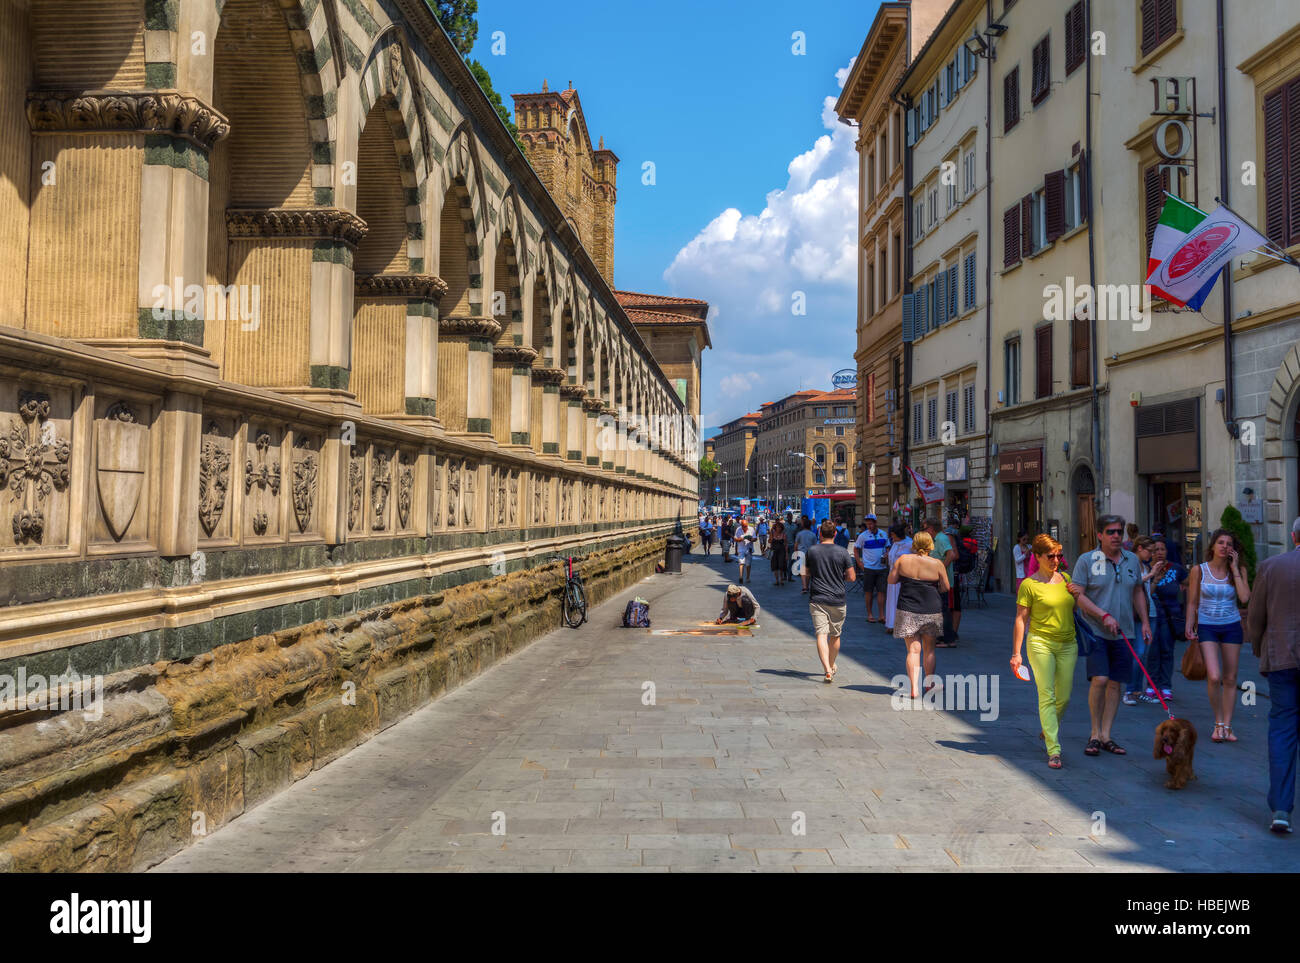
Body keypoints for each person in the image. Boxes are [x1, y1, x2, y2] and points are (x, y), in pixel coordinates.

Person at [1012, 534, 1111, 768]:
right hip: (1040, 643)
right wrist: (1016, 653)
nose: (1056, 559)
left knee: (1064, 697)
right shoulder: (1029, 585)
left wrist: (1093, 607)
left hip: (1068, 644)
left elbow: (1080, 608)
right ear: (1037, 556)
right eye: (1050, 556)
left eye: (1059, 555)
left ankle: (1048, 728)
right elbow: (1020, 619)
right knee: (1047, 695)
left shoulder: (1067, 580)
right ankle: (1054, 750)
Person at [1070, 514, 1150, 758]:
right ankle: (1094, 733)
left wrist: (1145, 622)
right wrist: (1102, 615)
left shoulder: (1131, 561)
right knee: (1101, 679)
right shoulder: (1086, 561)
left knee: (1116, 682)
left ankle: (1106, 735)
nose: (1117, 536)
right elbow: (1078, 595)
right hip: (1096, 631)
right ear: (1100, 535)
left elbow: (1137, 590)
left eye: (1120, 531)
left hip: (1125, 631)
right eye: (1111, 532)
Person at [1245, 516, 1300, 833]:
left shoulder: (1270, 566)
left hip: (1281, 657)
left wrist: (1257, 645)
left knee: (1282, 730)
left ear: (1293, 536)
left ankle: (1281, 808)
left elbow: (1256, 615)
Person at [1187, 528, 1251, 744]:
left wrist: (1234, 569)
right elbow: (1192, 601)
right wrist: (1189, 626)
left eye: (1229, 543)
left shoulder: (1238, 569)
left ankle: (1227, 725)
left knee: (1230, 678)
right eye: (1221, 542)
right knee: (1214, 676)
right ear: (1213, 546)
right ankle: (1218, 722)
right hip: (1207, 626)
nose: (1225, 546)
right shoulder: (1199, 570)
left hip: (1231, 625)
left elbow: (1244, 597)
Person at [889, 530, 949, 699]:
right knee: (929, 650)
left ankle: (914, 689)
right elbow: (946, 587)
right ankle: (929, 684)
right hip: (931, 609)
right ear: (931, 545)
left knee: (913, 650)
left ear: (914, 544)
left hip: (907, 608)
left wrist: (906, 580)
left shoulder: (903, 560)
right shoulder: (937, 563)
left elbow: (891, 580)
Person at [804, 519, 857, 683]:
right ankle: (831, 664)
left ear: (820, 533)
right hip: (838, 599)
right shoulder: (842, 552)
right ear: (835, 534)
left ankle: (827, 669)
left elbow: (805, 572)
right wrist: (839, 577)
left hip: (818, 597)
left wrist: (806, 586)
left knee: (821, 634)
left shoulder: (812, 551)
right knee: (835, 635)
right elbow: (852, 577)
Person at [1124, 535, 1168, 706]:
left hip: (1151, 613)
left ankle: (1137, 690)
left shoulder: (1144, 565)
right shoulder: (1130, 564)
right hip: (1136, 614)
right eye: (1150, 551)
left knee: (1144, 655)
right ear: (1139, 548)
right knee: (1137, 653)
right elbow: (1130, 584)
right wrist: (1150, 574)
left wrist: (1155, 579)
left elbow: (1148, 590)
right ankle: (1129, 690)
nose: (1152, 554)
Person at [1147, 536, 1187, 702]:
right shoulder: (1145, 570)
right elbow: (1146, 593)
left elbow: (1191, 583)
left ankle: (1165, 686)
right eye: (1155, 550)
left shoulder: (1176, 569)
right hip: (1152, 615)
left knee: (1167, 651)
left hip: (1171, 617)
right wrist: (1154, 579)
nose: (1159, 553)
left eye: (1162, 549)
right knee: (1153, 652)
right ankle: (1152, 685)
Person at [925, 518, 958, 647]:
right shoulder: (937, 539)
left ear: (931, 528)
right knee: (940, 609)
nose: (925, 530)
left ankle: (948, 639)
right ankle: (942, 637)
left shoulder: (941, 539)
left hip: (943, 581)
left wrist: (941, 570)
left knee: (943, 609)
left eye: (925, 528)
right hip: (939, 581)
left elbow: (951, 554)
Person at [854, 514, 890, 624]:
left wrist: (887, 554)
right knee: (868, 592)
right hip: (868, 568)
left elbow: (888, 547)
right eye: (867, 524)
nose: (869, 526)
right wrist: (859, 563)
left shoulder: (883, 534)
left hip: (882, 568)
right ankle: (870, 614)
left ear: (875, 523)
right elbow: (856, 549)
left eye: (871, 523)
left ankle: (881, 615)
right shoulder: (863, 536)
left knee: (881, 592)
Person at [883, 522, 912, 636]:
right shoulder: (894, 543)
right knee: (891, 600)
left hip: (903, 576)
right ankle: (891, 623)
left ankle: (902, 624)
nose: (891, 537)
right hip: (893, 575)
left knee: (901, 600)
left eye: (893, 535)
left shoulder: (910, 544)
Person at [793, 518, 818, 593]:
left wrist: (795, 553)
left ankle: (804, 587)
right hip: (810, 554)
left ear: (803, 525)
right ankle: (807, 586)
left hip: (801, 553)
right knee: (809, 572)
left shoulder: (799, 534)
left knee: (803, 571)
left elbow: (796, 545)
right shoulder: (813, 534)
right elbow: (815, 546)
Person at [734, 517, 755, 585]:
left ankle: (748, 577)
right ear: (741, 525)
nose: (744, 528)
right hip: (741, 548)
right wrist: (741, 538)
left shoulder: (751, 529)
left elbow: (755, 538)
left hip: (749, 548)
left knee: (748, 564)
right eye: (743, 526)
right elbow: (735, 539)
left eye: (745, 526)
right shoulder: (738, 529)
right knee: (741, 563)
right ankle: (740, 577)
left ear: (747, 525)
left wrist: (751, 539)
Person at [769, 516, 788, 586]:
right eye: (777, 527)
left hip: (781, 552)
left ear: (781, 528)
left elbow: (786, 544)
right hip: (774, 552)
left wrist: (786, 554)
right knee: (775, 567)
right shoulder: (772, 534)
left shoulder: (784, 535)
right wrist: (771, 535)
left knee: (781, 566)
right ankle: (777, 580)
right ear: (775, 528)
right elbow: (769, 541)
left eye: (780, 527)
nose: (778, 528)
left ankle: (781, 580)